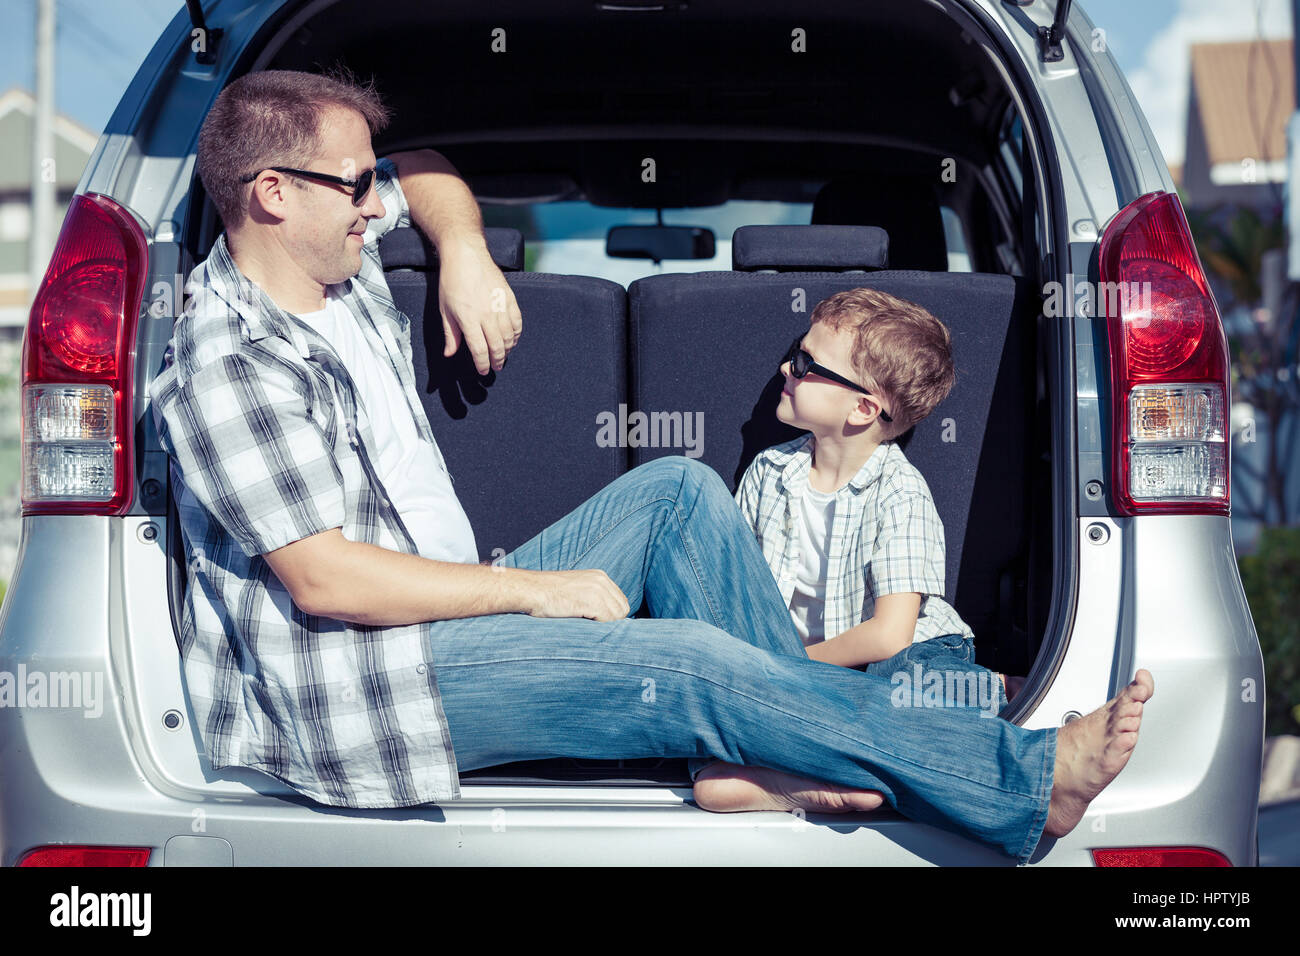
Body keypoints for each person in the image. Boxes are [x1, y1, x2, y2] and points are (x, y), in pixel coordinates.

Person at [149, 67, 1153, 866]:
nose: (377, 207)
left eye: (371, 184)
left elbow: (423, 166)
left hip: (442, 623)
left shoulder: (338, 266)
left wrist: (462, 247)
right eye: (356, 186)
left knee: (680, 490)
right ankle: (1022, 778)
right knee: (681, 661)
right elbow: (328, 578)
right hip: (370, 679)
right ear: (272, 194)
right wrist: (536, 592)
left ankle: (747, 759)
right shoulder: (225, 362)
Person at [691, 289, 1019, 810]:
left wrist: (792, 668)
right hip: (809, 670)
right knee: (722, 705)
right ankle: (818, 779)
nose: (785, 368)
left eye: (804, 364)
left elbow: (890, 635)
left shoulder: (900, 492)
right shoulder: (767, 472)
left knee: (907, 684)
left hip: (903, 652)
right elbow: (734, 589)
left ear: (863, 408)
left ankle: (996, 692)